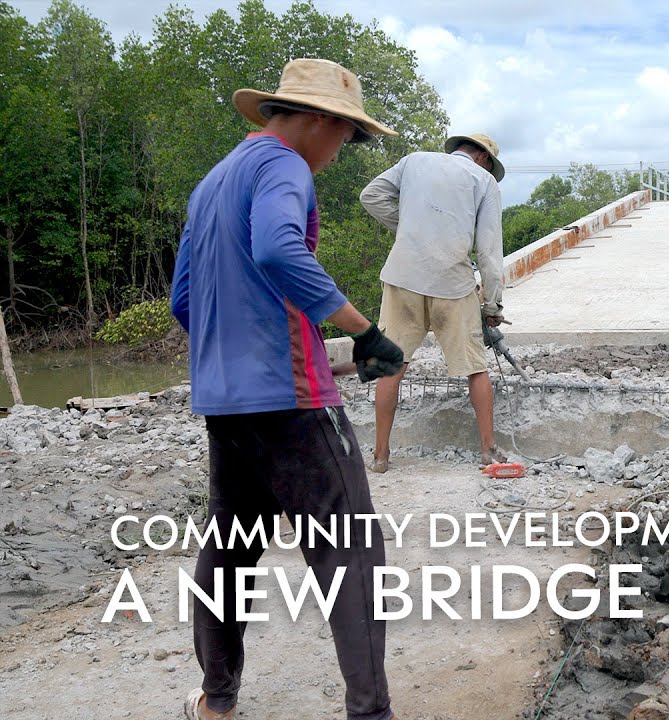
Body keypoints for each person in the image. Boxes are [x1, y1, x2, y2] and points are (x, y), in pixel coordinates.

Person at [170, 58, 404, 720]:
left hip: (225, 402)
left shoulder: (212, 182)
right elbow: (277, 250)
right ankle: (371, 713)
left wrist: (233, 355)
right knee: (351, 552)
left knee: (229, 549)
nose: (343, 152)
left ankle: (216, 702)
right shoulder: (284, 166)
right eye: (348, 138)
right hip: (294, 399)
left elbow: (184, 299)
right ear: (321, 120)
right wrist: (362, 331)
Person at [359, 131, 508, 471]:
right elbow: (488, 250)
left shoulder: (415, 161)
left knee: (390, 367)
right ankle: (488, 451)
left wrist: (408, 229)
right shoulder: (483, 181)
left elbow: (371, 196)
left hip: (402, 277)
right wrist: (492, 304)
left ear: (459, 148)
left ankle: (380, 456)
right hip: (452, 284)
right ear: (484, 158)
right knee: (475, 367)